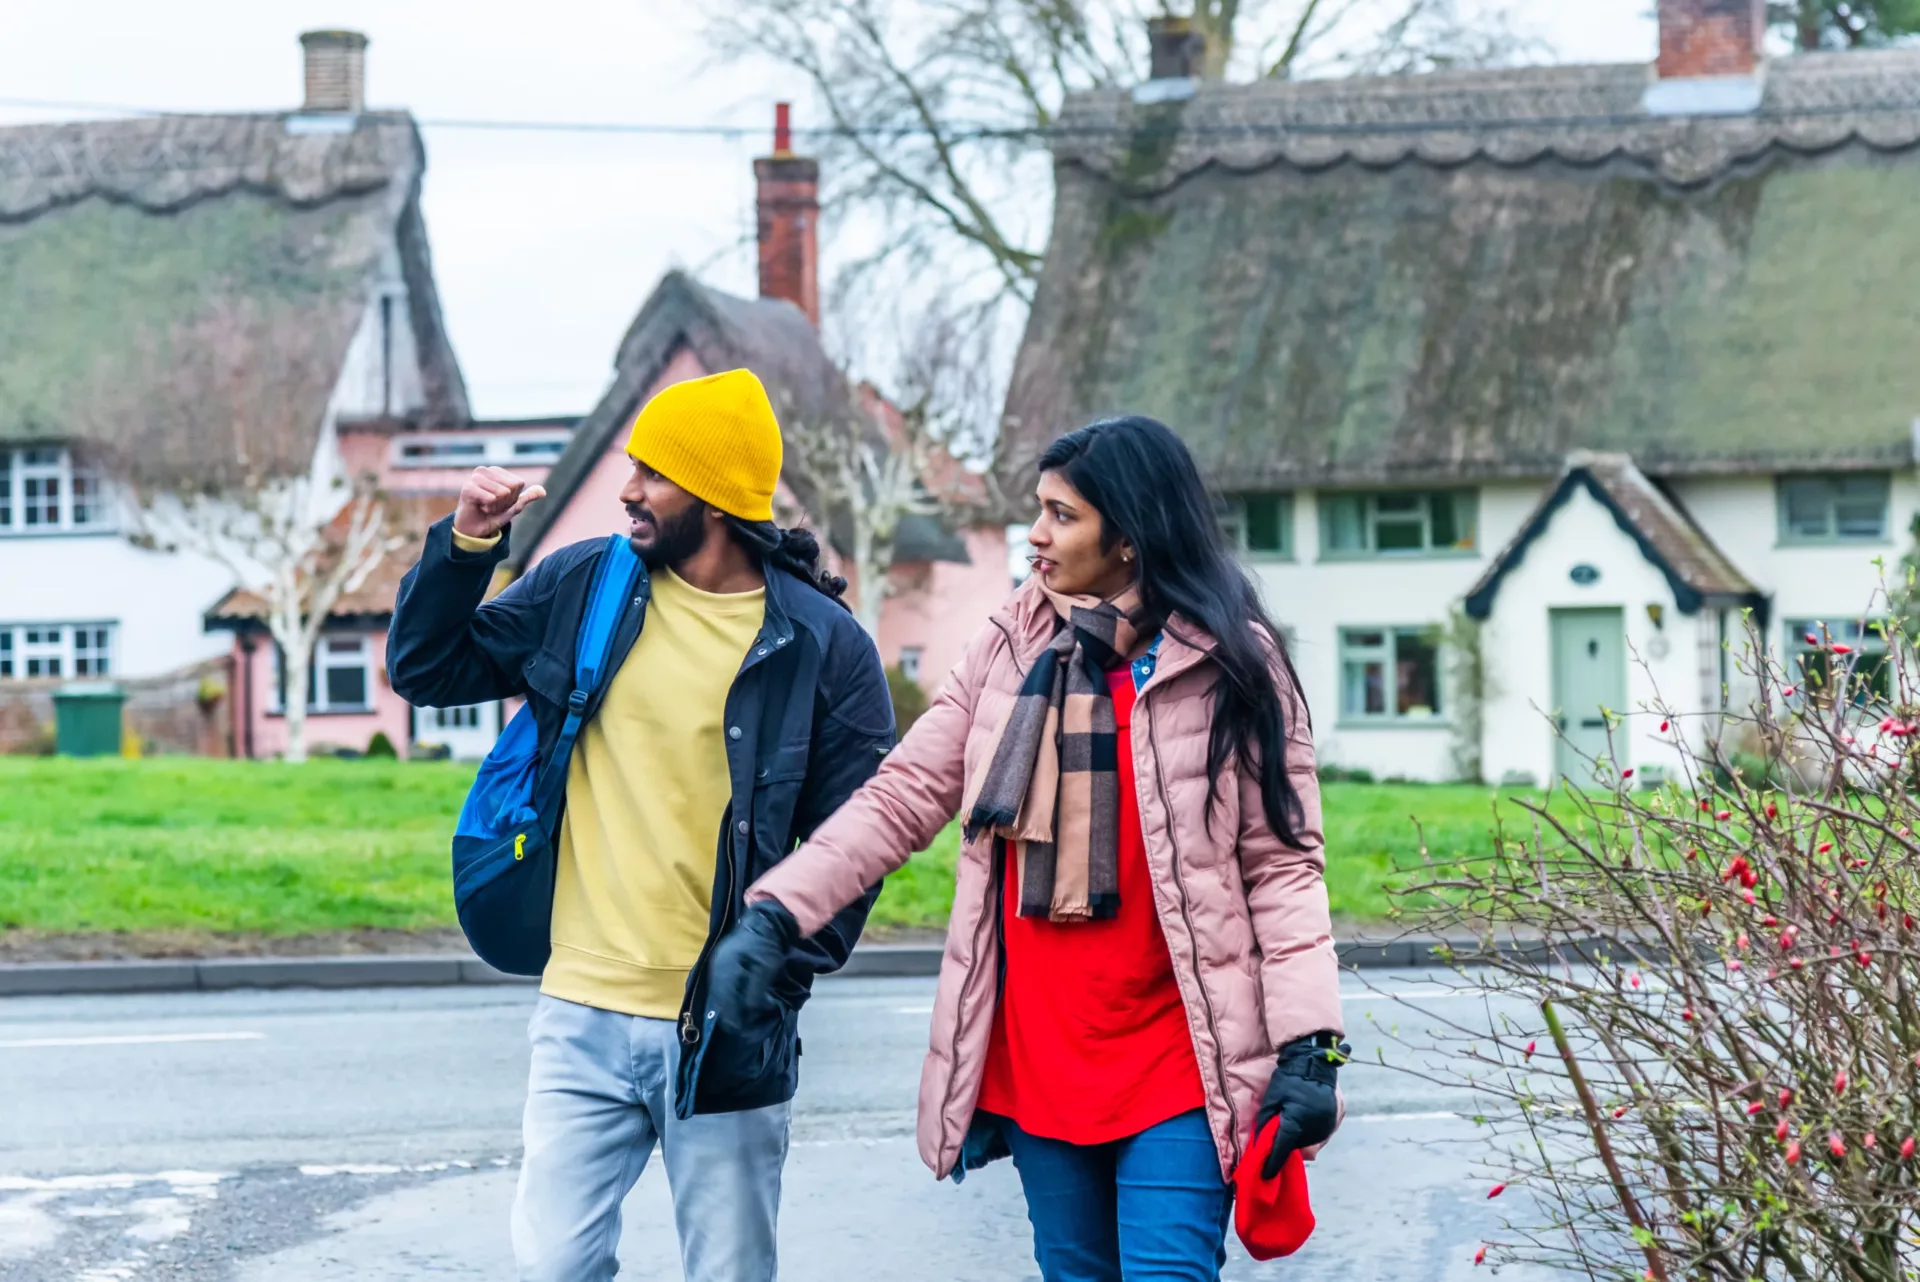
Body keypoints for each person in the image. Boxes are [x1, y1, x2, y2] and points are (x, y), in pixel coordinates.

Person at [707, 415, 1348, 1281]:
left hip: (1176, 1059)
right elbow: (904, 794)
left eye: (1061, 516)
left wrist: (1310, 1044)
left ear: (1130, 536)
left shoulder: (1234, 666)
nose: (1036, 538)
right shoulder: (1008, 647)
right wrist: (780, 911)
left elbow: (1281, 864)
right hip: (1041, 1054)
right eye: (1036, 513)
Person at [387, 368, 895, 1282]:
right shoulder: (588, 586)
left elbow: (857, 843)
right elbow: (429, 669)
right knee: (553, 1267)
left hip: (726, 1026)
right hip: (579, 1002)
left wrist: (775, 980)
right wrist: (468, 544)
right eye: (633, 466)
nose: (629, 489)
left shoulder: (825, 646)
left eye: (654, 473)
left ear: (717, 496)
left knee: (729, 1272)